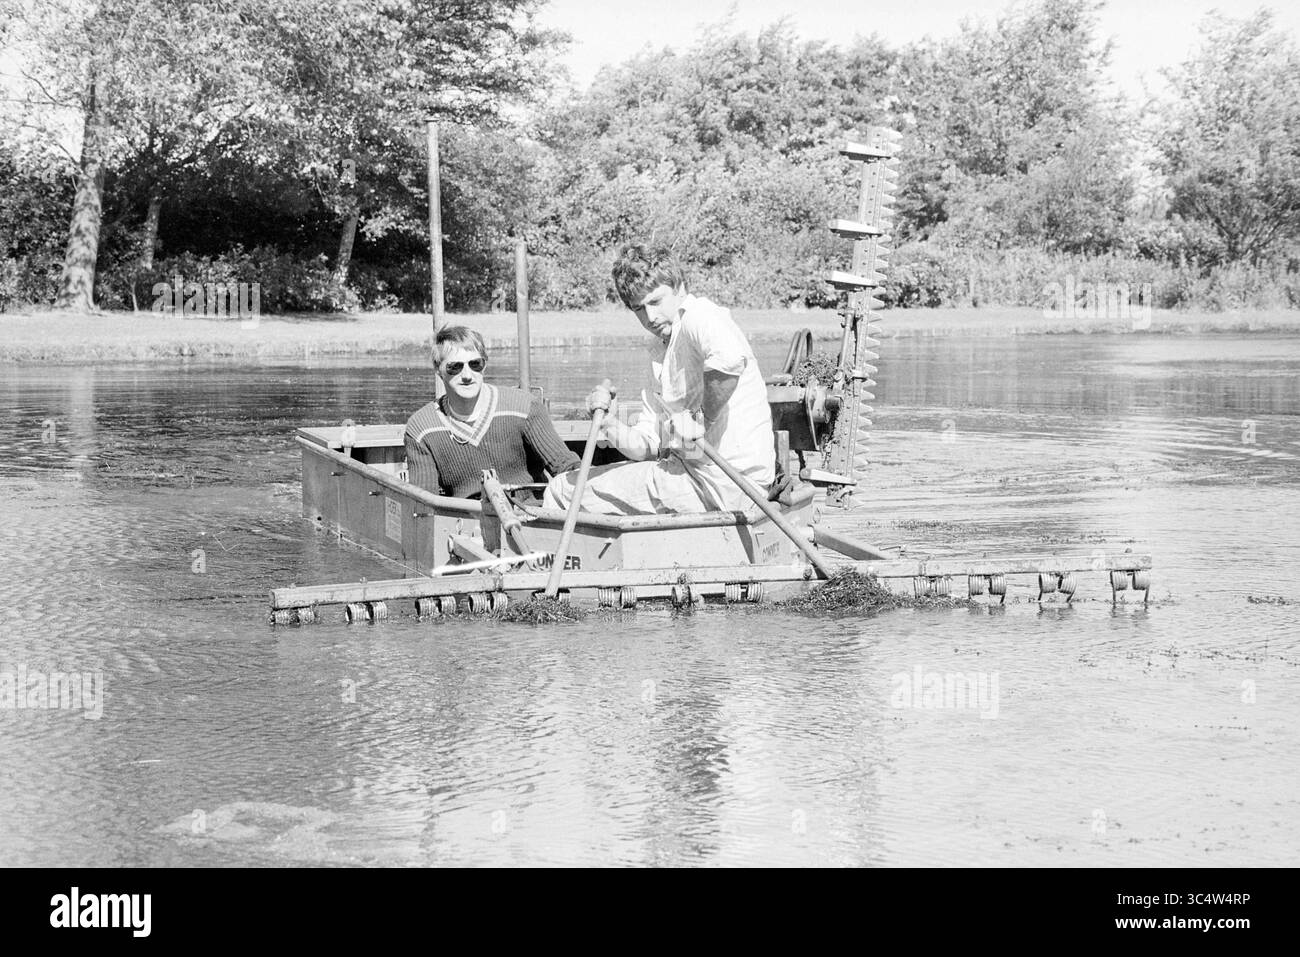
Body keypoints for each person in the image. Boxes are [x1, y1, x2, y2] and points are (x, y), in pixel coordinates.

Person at [544, 244, 774, 514]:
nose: (650, 317)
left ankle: (543, 556)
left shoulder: (699, 315)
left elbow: (730, 360)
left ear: (679, 287)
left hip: (726, 484)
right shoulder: (659, 351)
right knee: (581, 482)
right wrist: (608, 422)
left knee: (562, 490)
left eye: (655, 301)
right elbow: (648, 446)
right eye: (638, 309)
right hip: (686, 475)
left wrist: (701, 420)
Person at [405, 325, 579, 499]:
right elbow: (424, 504)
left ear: (485, 365)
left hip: (531, 515)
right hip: (464, 521)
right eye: (455, 367)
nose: (467, 375)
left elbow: (567, 468)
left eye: (475, 364)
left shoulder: (525, 407)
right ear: (438, 369)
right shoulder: (421, 428)